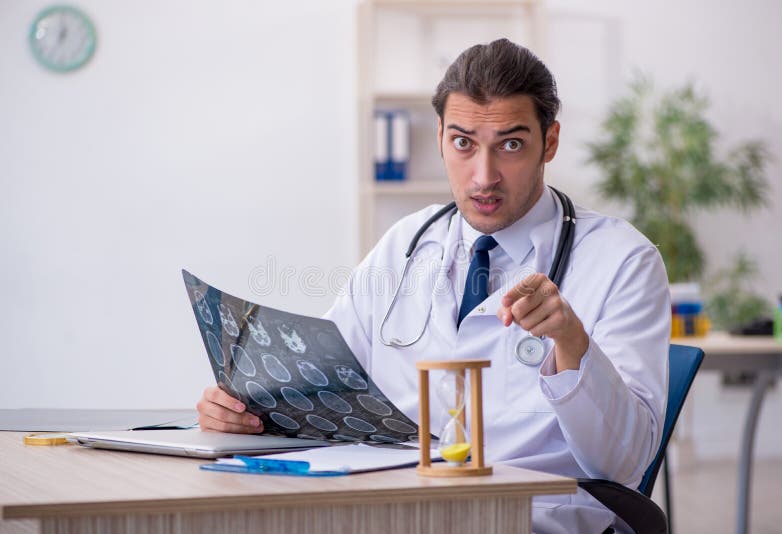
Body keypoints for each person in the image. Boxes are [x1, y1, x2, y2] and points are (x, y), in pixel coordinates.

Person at [197, 38, 671, 533]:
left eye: (510, 144)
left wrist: (572, 344)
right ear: (440, 136)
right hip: (400, 507)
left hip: (535, 515)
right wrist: (245, 408)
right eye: (463, 143)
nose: (483, 177)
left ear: (549, 142)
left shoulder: (623, 261)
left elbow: (625, 463)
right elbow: (322, 385)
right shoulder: (407, 242)